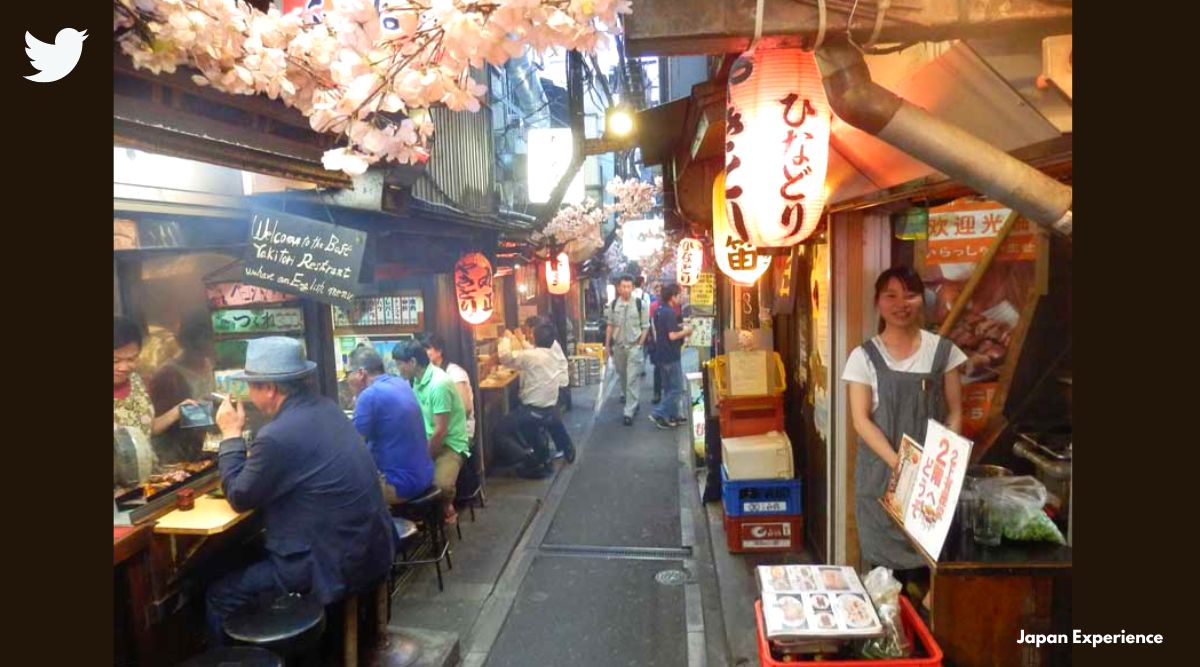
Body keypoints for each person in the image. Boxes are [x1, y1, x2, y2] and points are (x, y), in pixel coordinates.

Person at [208, 337, 394, 646]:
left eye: (252, 387)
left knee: (219, 595)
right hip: (368, 547)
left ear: (270, 389)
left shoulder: (277, 435)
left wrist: (230, 435)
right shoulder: (327, 408)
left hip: (330, 564)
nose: (249, 396)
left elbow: (240, 496)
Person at [841, 267, 966, 572]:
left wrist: (941, 468)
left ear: (922, 299)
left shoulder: (942, 351)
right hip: (882, 477)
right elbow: (861, 421)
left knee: (933, 568)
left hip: (931, 482)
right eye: (891, 295)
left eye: (910, 294)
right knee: (884, 574)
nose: (902, 303)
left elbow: (955, 411)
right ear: (878, 303)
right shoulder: (863, 356)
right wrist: (902, 466)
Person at [393, 340, 471, 524]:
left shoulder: (438, 384)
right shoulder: (417, 381)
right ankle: (421, 521)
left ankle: (445, 509)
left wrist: (424, 458)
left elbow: (440, 431)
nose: (398, 369)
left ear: (412, 362)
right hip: (427, 441)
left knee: (441, 486)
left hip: (450, 444)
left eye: (399, 364)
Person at [345, 346, 434, 505]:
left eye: (348, 373)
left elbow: (353, 448)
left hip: (399, 485)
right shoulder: (400, 383)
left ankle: (380, 529)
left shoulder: (369, 395)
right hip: (425, 476)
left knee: (341, 493)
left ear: (360, 374)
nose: (346, 379)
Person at [114, 316, 197, 486]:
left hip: (149, 482)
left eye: (131, 359)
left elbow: (146, 429)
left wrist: (178, 411)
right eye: (115, 360)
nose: (123, 367)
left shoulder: (136, 381)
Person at [496, 322, 575, 476]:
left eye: (532, 333)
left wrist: (505, 339)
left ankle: (529, 459)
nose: (530, 335)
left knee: (500, 430)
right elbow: (531, 352)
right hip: (550, 405)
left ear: (536, 338)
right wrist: (521, 340)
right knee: (544, 422)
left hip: (534, 409)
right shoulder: (552, 352)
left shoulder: (531, 356)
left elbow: (505, 357)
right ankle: (561, 449)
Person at [147, 312, 217, 464]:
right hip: (175, 454)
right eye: (196, 350)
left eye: (206, 348)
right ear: (184, 344)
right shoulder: (167, 375)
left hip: (204, 450)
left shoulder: (209, 363)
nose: (201, 356)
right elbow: (158, 425)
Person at [605, 274, 649, 425]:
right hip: (619, 347)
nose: (626, 289)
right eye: (623, 286)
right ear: (618, 288)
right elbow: (610, 325)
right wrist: (607, 345)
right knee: (623, 376)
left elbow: (645, 327)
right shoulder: (613, 305)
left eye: (629, 286)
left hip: (633, 347)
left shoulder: (640, 304)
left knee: (632, 378)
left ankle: (628, 411)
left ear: (633, 287)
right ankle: (633, 401)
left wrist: (639, 344)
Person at [649, 283, 693, 429]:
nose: (681, 298)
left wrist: (679, 327)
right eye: (679, 295)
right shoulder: (669, 312)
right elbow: (672, 335)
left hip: (661, 354)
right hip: (671, 355)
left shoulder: (659, 310)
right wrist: (686, 331)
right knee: (677, 389)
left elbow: (663, 331)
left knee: (669, 388)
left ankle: (672, 416)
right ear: (672, 297)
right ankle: (659, 413)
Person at [422, 334, 475, 443]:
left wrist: (442, 429)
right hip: (437, 432)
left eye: (427, 348)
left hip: (458, 434)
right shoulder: (426, 374)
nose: (424, 352)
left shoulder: (455, 372)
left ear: (439, 351)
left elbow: (466, 408)